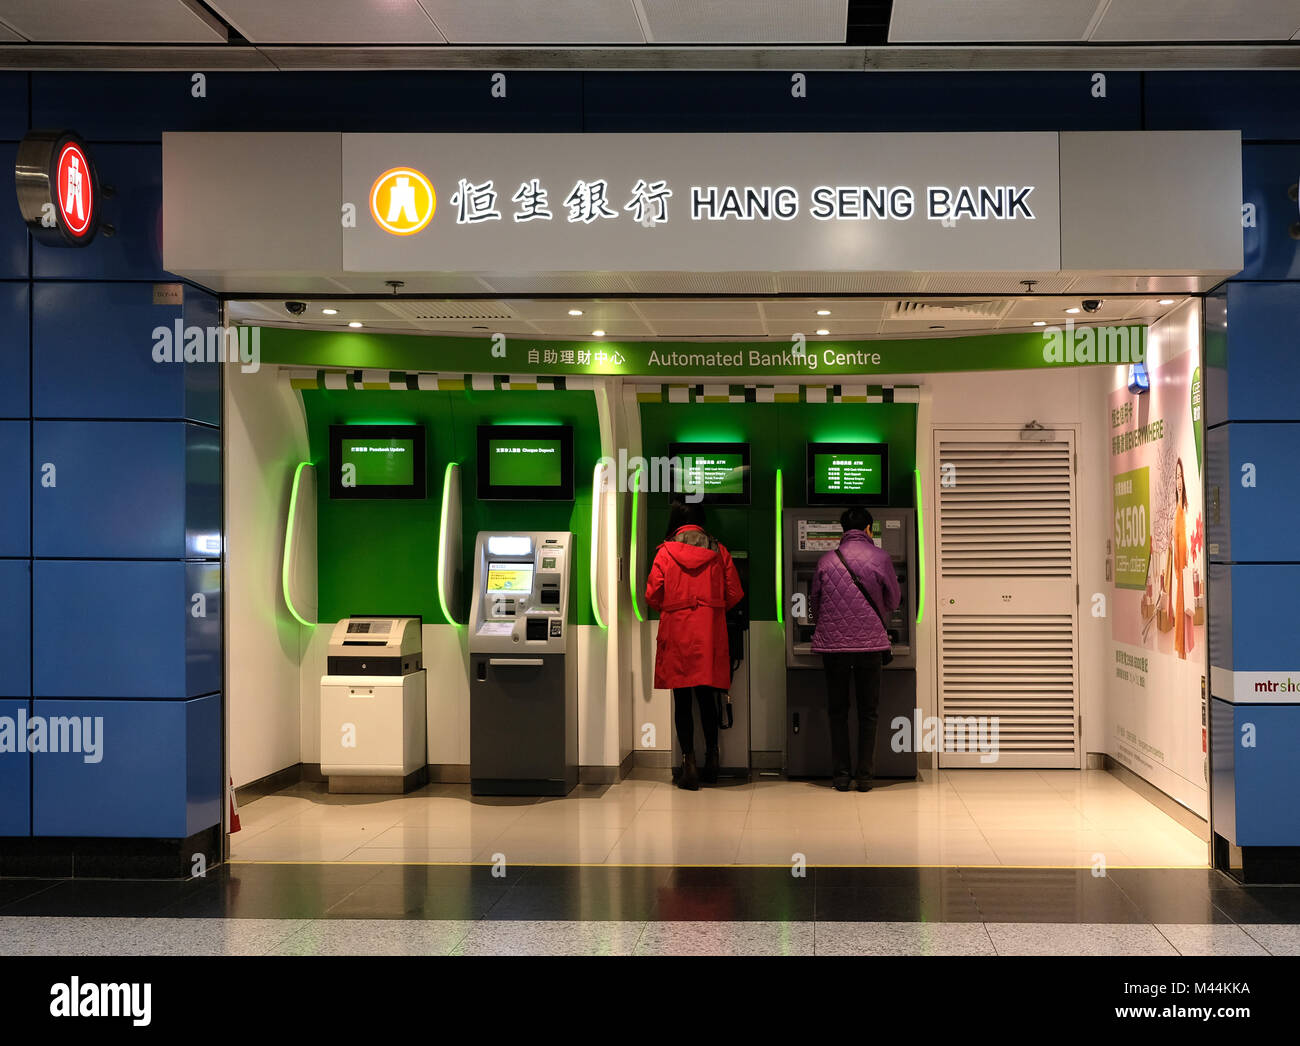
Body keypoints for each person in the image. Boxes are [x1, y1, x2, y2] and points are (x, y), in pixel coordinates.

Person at [645, 497, 744, 790]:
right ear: (701, 521)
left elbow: (653, 594)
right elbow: (735, 592)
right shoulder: (719, 550)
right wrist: (711, 610)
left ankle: (688, 763)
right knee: (708, 697)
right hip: (709, 632)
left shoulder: (664, 553)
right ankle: (712, 758)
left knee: (683, 700)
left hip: (677, 632)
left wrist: (675, 607)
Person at [809, 506, 901, 792]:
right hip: (871, 645)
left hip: (834, 647)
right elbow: (894, 600)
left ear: (842, 530)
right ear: (869, 529)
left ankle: (840, 777)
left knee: (837, 711)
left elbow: (815, 604)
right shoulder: (881, 557)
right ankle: (864, 777)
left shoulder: (826, 561)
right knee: (868, 712)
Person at [1170, 457, 1190, 659]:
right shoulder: (1176, 512)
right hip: (1178, 575)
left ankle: (1183, 652)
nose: (1178, 481)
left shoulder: (1184, 510)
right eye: (1176, 477)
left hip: (1184, 571)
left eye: (1180, 476)